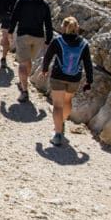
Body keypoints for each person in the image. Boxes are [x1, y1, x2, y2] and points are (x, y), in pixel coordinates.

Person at [41, 16, 93, 146]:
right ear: (77, 27)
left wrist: (44, 69)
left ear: (63, 27)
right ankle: (62, 121)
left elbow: (48, 56)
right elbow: (88, 63)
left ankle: (58, 134)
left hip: (58, 76)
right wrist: (89, 80)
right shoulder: (84, 44)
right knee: (67, 101)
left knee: (57, 105)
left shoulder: (58, 41)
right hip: (74, 78)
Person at [7, 0, 53, 104]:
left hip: (23, 35)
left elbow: (14, 18)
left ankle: (24, 91)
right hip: (38, 38)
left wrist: (10, 32)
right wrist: (48, 40)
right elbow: (48, 24)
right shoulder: (44, 4)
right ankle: (24, 82)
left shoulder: (21, 1)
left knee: (23, 63)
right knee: (29, 61)